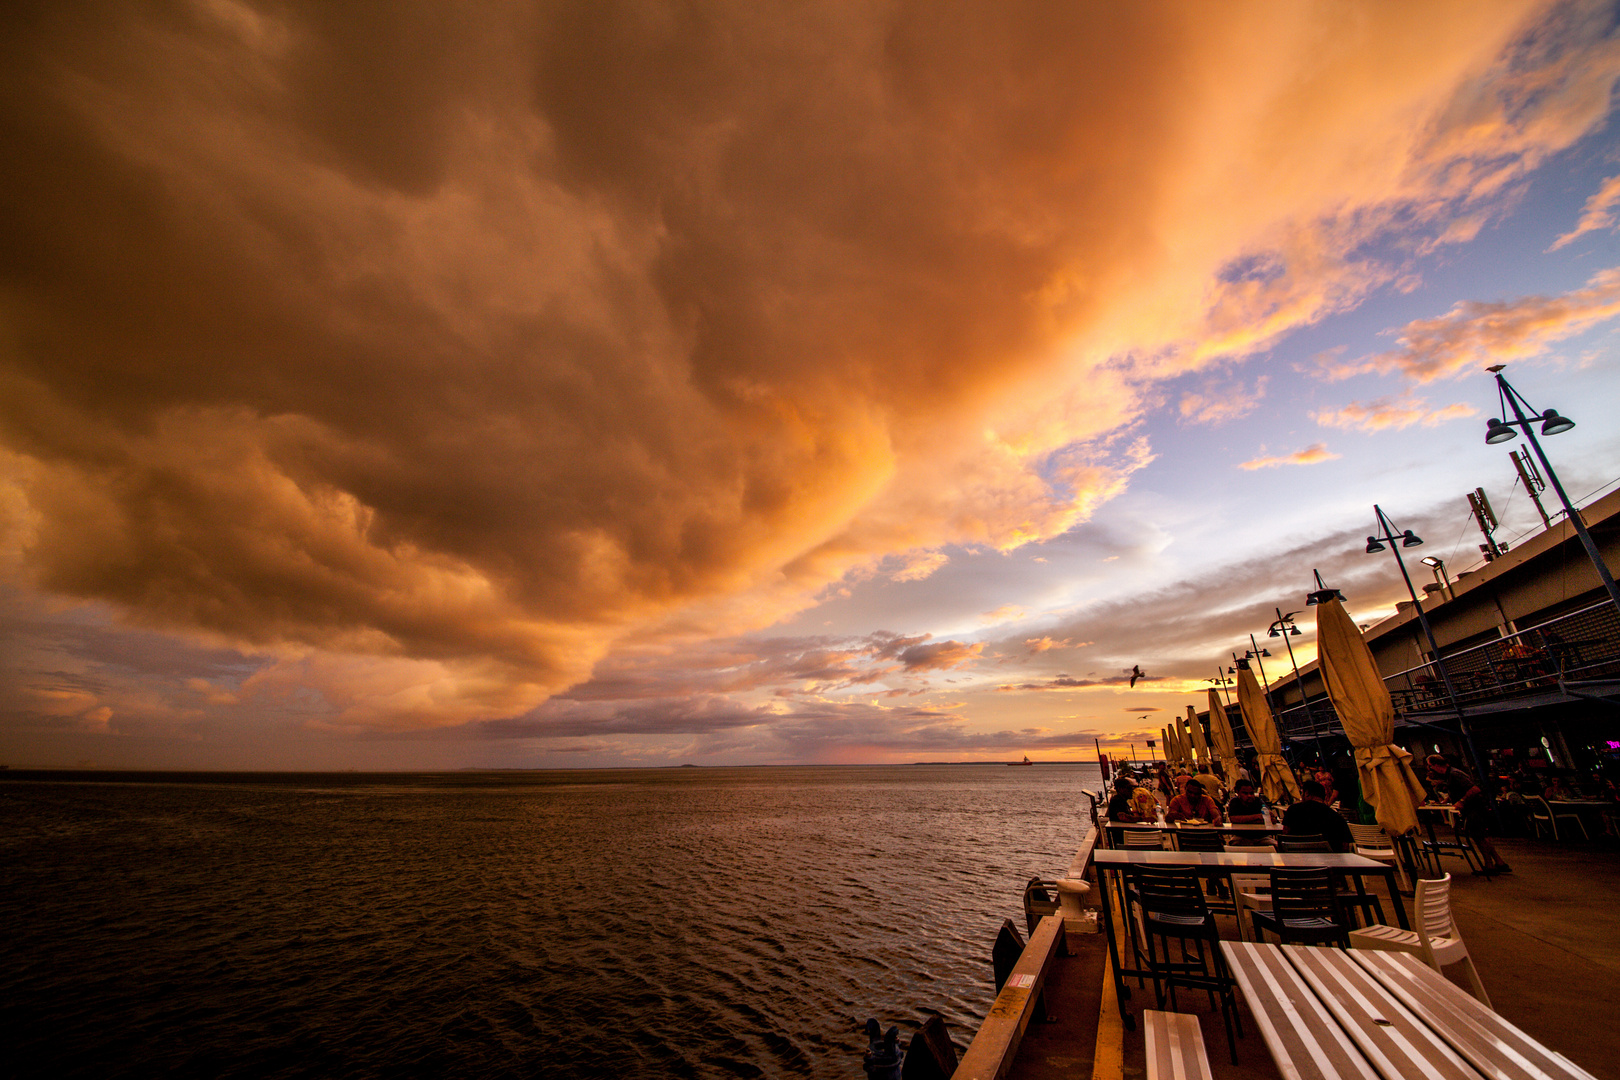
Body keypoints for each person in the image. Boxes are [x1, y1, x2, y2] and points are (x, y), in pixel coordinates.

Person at [1427, 755, 1510, 875]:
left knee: (1479, 837)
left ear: (1436, 765)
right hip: (1471, 808)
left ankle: (1489, 865)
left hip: (1475, 808)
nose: (1430, 769)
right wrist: (1444, 802)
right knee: (1480, 836)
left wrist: (1462, 801)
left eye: (1430, 766)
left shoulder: (1455, 774)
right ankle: (1499, 862)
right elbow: (1458, 791)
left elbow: (1474, 789)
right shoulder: (1450, 775)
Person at [1280, 779, 1353, 852]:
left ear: (1307, 793)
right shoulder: (1336, 816)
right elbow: (1345, 845)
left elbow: (1285, 834)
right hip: (1328, 860)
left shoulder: (1293, 810)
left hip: (1296, 858)